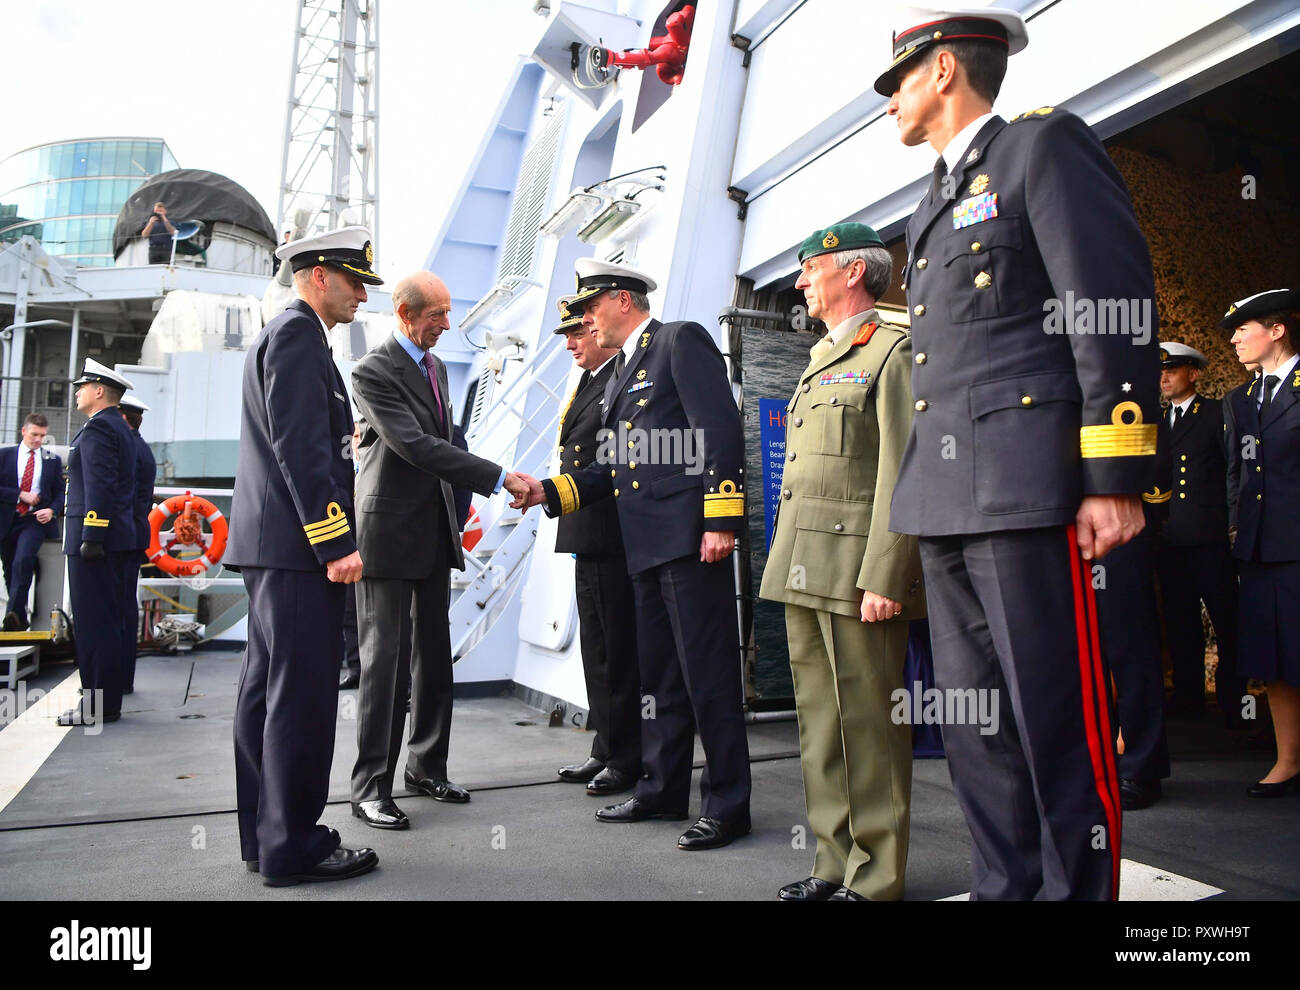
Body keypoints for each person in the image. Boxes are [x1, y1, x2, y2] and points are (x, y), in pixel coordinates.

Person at [879, 6, 1160, 899]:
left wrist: (1113, 473)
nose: (890, 102)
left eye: (899, 82)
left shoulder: (1042, 150)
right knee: (977, 730)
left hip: (1031, 489)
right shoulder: (929, 204)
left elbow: (1107, 304)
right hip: (947, 499)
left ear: (946, 72)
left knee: (1055, 722)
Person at [514, 259, 752, 851]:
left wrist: (720, 519)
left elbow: (717, 429)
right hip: (641, 548)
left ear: (623, 299)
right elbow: (611, 467)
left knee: (708, 678)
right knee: (660, 679)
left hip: (690, 543)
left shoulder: (678, 341)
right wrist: (551, 491)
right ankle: (662, 788)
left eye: (591, 307)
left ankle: (727, 805)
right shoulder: (621, 375)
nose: (587, 321)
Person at [759, 223, 924, 901]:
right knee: (821, 725)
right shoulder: (824, 353)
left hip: (859, 576)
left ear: (851, 271)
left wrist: (886, 573)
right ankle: (833, 865)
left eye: (810, 267)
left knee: (870, 728)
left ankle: (878, 878)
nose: (801, 281)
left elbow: (903, 468)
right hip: (805, 567)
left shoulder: (893, 349)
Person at [226, 226, 379, 885]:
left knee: (264, 693)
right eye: (353, 281)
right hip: (297, 553)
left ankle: (265, 838)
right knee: (301, 699)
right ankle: (294, 845)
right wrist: (336, 542)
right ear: (318, 275)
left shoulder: (285, 334)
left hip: (272, 550)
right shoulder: (296, 336)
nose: (360, 297)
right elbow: (301, 451)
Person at [348, 270, 517, 830]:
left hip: (432, 531)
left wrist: (474, 499)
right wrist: (498, 478)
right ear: (404, 313)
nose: (447, 325)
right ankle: (371, 785)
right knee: (385, 666)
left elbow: (452, 442)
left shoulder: (437, 367)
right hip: (387, 538)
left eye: (447, 313)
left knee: (433, 661)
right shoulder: (372, 372)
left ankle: (426, 766)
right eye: (436, 316)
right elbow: (415, 446)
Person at [550, 295, 642, 796]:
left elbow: (614, 463)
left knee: (618, 651)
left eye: (577, 334)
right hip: (587, 530)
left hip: (612, 532)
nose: (571, 344)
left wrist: (550, 494)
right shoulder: (590, 382)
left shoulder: (621, 381)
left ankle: (627, 757)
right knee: (597, 648)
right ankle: (605, 748)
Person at [1220, 289, 1300, 797]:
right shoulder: (1241, 398)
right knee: (1273, 657)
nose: (1233, 339)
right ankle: (1288, 759)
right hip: (1259, 546)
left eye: (1242, 330)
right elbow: (1236, 473)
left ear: (1276, 331)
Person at [1154, 341, 1246, 726]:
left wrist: (1232, 524)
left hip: (1209, 536)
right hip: (1169, 538)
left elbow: (1233, 471)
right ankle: (1189, 695)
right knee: (1180, 622)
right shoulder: (1154, 421)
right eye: (1161, 372)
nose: (1164, 378)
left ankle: (1232, 698)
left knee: (1228, 620)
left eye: (1172, 370)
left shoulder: (1215, 414)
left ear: (1193, 373)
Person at [1096, 392, 1171, 810]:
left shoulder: (1118, 382)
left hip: (1118, 524)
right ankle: (1096, 761)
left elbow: (1151, 460)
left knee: (1130, 650)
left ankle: (1141, 767)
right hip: (1058, 526)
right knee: (1077, 657)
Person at [60, 360, 138, 727]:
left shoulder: (99, 431)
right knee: (105, 621)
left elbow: (100, 486)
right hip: (110, 538)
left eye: (82, 386)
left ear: (99, 391)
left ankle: (97, 706)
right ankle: (102, 700)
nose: (77, 392)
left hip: (95, 542)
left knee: (94, 625)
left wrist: (92, 534)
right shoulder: (116, 428)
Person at [1, 414, 63, 631]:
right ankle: (18, 617)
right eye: (35, 434)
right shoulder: (4, 456)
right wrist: (19, 494)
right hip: (7, 520)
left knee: (23, 561)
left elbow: (59, 494)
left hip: (34, 520)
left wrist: (52, 510)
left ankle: (11, 616)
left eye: (42, 436)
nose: (38, 440)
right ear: (23, 431)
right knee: (10, 569)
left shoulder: (51, 460)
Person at [118, 395, 156, 694]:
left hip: (120, 538)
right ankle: (122, 675)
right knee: (124, 607)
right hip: (133, 534)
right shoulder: (142, 448)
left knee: (112, 610)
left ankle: (113, 679)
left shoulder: (129, 449)